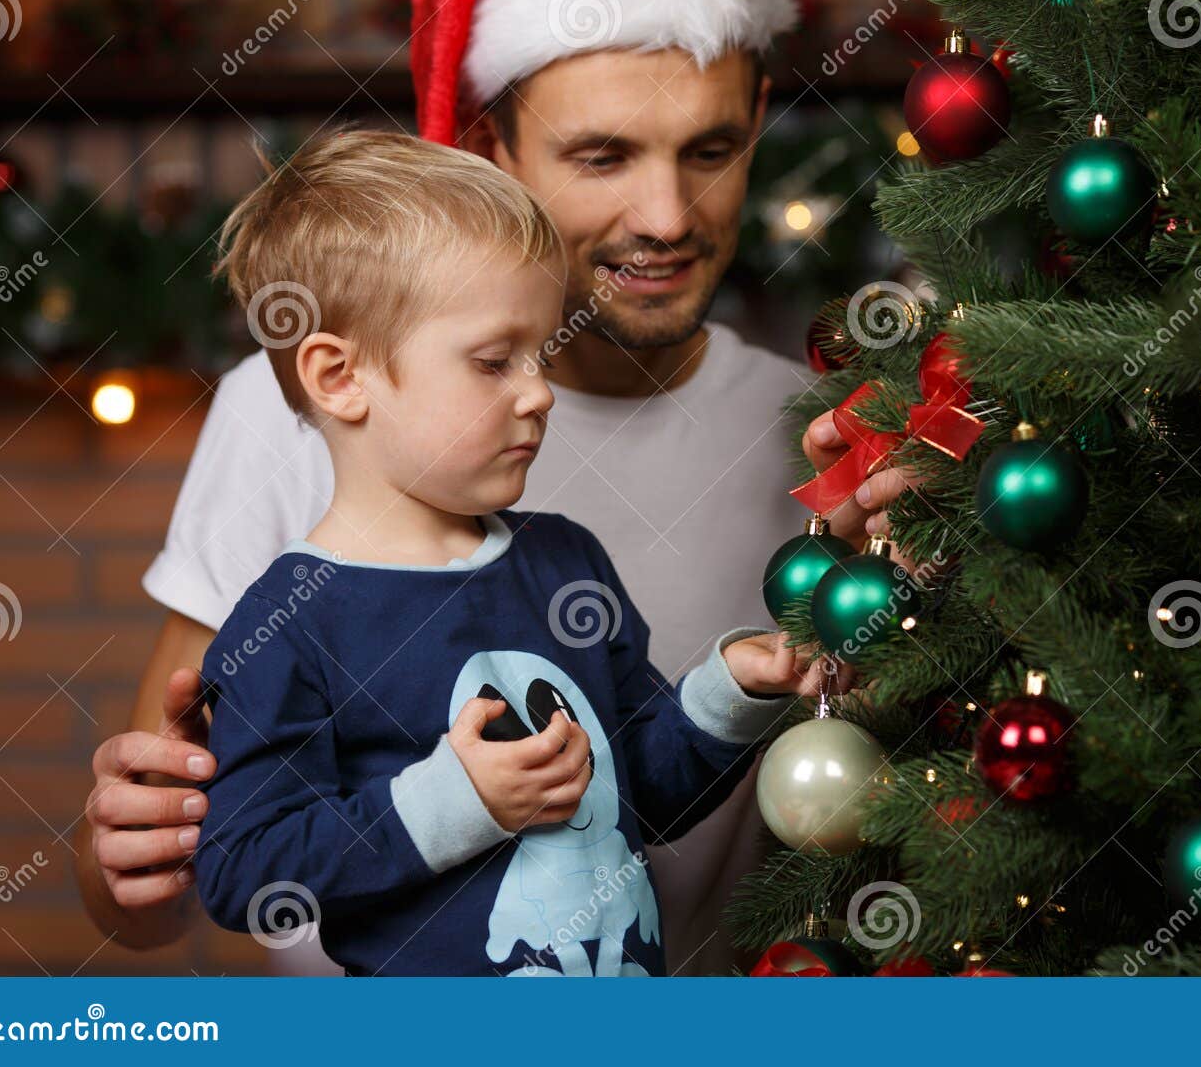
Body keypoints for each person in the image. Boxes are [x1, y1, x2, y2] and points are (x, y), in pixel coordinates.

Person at [78, 0, 915, 974]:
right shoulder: (281, 411)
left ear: (758, 120)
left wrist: (741, 682)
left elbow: (670, 779)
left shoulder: (813, 433)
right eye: (600, 154)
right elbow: (162, 886)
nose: (664, 213)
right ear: (488, 144)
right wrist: (137, 856)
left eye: (709, 149)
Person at [193, 130, 837, 975]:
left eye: (539, 354)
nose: (537, 391)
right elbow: (244, 869)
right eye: (494, 361)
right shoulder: (292, 623)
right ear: (339, 376)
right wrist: (453, 804)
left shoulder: (564, 561)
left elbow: (635, 789)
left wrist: (728, 691)